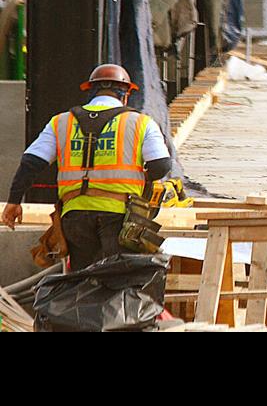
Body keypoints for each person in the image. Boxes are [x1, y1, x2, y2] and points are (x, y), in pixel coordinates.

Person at [2, 64, 173, 270]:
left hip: (75, 214)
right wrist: (143, 177)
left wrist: (14, 201)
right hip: (119, 215)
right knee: (118, 277)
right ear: (125, 95)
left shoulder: (61, 122)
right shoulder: (141, 122)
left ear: (91, 92)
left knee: (83, 277)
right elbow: (161, 165)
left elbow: (31, 163)